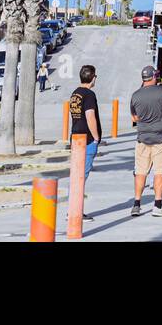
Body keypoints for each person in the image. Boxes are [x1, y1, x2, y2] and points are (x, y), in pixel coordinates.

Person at [129, 66, 162, 217]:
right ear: (154, 77)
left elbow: (134, 118)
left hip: (142, 139)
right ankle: (157, 206)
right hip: (160, 138)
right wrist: (160, 117)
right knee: (159, 172)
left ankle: (136, 205)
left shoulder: (135, 95)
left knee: (140, 172)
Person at [68, 64, 101, 221]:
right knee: (81, 177)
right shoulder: (89, 94)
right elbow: (90, 116)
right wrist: (96, 138)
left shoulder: (75, 94)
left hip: (75, 138)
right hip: (86, 141)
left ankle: (73, 210)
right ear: (93, 78)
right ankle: (75, 212)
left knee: (77, 176)